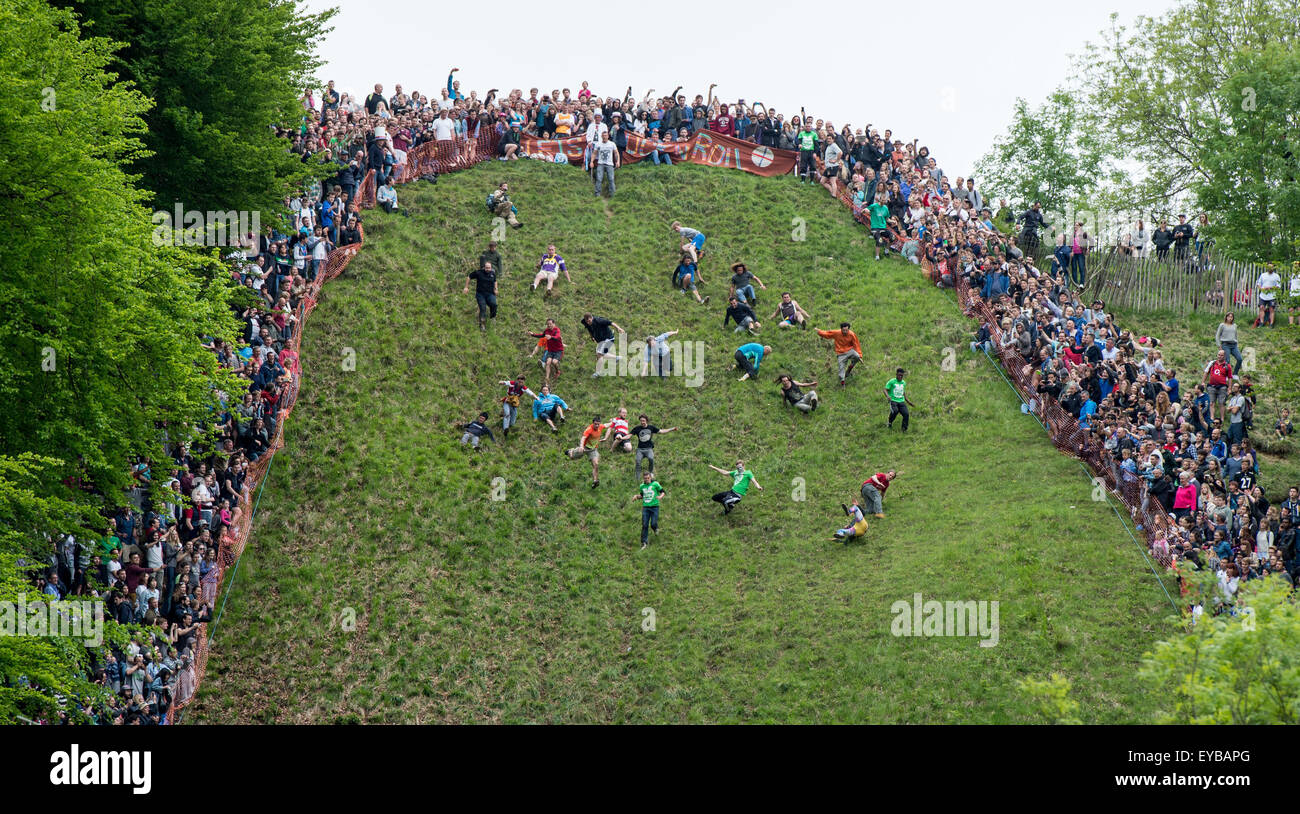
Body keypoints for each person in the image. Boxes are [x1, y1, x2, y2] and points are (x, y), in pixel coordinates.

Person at [566, 416, 607, 487]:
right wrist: (581, 446)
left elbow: (606, 425)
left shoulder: (600, 427)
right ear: (592, 423)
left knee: (596, 464)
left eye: (598, 424)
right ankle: (571, 451)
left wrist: (613, 421)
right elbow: (583, 438)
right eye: (595, 424)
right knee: (572, 457)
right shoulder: (589, 430)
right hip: (584, 448)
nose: (597, 426)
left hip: (593, 450)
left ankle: (595, 481)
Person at [632, 414, 677, 479]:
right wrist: (621, 438)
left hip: (649, 449)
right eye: (641, 421)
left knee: (651, 458)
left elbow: (662, 431)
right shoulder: (637, 428)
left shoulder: (651, 427)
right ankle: (637, 478)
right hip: (640, 449)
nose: (642, 422)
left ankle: (651, 473)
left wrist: (671, 429)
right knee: (638, 461)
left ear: (646, 421)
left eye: (643, 420)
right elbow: (629, 435)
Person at [581, 313, 625, 377]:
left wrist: (619, 328)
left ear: (591, 318)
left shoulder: (599, 320)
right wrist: (592, 337)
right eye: (587, 321)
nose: (588, 323)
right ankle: (617, 358)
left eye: (589, 321)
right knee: (601, 354)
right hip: (601, 340)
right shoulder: (584, 322)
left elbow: (611, 323)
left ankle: (597, 373)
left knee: (599, 354)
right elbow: (589, 329)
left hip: (608, 339)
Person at [463, 260, 498, 331]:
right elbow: (469, 276)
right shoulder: (479, 273)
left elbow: (495, 281)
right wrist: (466, 287)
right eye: (486, 268)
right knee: (483, 308)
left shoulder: (493, 273)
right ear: (484, 267)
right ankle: (482, 325)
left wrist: (496, 288)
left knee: (494, 304)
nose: (488, 269)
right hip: (480, 294)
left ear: (491, 268)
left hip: (490, 294)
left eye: (489, 268)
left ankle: (492, 317)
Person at [498, 376, 535, 440]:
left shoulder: (523, 388)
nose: (521, 383)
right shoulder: (512, 383)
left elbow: (530, 392)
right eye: (520, 381)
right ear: (517, 380)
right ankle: (505, 429)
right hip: (507, 401)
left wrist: (536, 397)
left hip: (514, 403)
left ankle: (506, 420)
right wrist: (501, 382)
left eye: (522, 382)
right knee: (507, 414)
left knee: (512, 422)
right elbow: (506, 382)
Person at [529, 318, 564, 386]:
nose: (549, 325)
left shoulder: (557, 330)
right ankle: (547, 378)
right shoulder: (547, 331)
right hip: (550, 350)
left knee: (554, 362)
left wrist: (551, 337)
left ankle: (557, 371)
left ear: (554, 324)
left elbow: (557, 337)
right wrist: (533, 334)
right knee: (548, 363)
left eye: (550, 324)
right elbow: (541, 335)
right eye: (547, 324)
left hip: (558, 350)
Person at [636, 472, 664, 550]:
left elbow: (663, 491)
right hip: (646, 508)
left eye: (648, 478)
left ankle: (655, 529)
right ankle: (644, 542)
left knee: (653, 523)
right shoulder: (642, 486)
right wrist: (636, 497)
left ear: (650, 478)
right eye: (645, 478)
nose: (647, 480)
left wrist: (660, 497)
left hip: (655, 507)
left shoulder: (655, 484)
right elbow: (642, 495)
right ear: (643, 479)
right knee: (644, 525)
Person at [593, 130, 620, 197]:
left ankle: (613, 194)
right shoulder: (598, 144)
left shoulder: (612, 144)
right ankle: (597, 194)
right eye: (603, 136)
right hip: (600, 163)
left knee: (611, 179)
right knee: (599, 179)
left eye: (606, 135)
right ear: (601, 136)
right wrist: (591, 161)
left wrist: (618, 161)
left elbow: (616, 153)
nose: (605, 137)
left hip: (609, 164)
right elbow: (594, 153)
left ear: (608, 136)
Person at [1255, 262, 1281, 327]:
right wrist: (1261, 289)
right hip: (1263, 295)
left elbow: (1278, 286)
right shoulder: (1263, 275)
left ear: (1273, 267)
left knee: (1271, 309)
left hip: (1272, 295)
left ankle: (1271, 324)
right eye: (1269, 267)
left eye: (1271, 267)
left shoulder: (1276, 276)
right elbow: (1258, 284)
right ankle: (1261, 322)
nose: (1270, 268)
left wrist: (1270, 288)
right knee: (1261, 308)